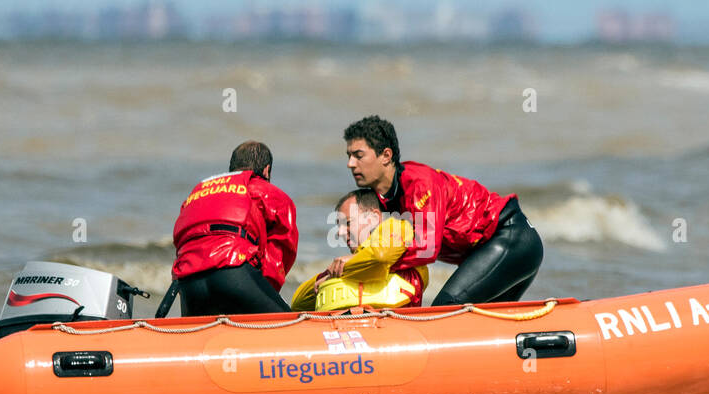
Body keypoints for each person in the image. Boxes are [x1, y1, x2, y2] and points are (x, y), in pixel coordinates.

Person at [343, 115, 542, 306]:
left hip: (511, 240)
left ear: (386, 155)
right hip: (491, 251)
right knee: (479, 323)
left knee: (446, 308)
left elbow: (425, 250)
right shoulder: (380, 200)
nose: (350, 164)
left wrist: (358, 263)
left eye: (358, 156)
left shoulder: (420, 184)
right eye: (349, 156)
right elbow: (375, 249)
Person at [170, 141, 298, 316]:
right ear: (267, 170)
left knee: (203, 339)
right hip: (233, 273)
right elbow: (282, 247)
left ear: (232, 169)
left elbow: (182, 238)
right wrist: (264, 291)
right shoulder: (264, 189)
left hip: (188, 284)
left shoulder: (197, 192)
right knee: (288, 326)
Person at [290, 189, 428, 311]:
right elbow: (297, 303)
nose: (340, 232)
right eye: (339, 226)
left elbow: (381, 256)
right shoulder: (348, 266)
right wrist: (326, 276)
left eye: (348, 223)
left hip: (398, 330)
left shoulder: (399, 226)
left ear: (373, 219)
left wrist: (342, 268)